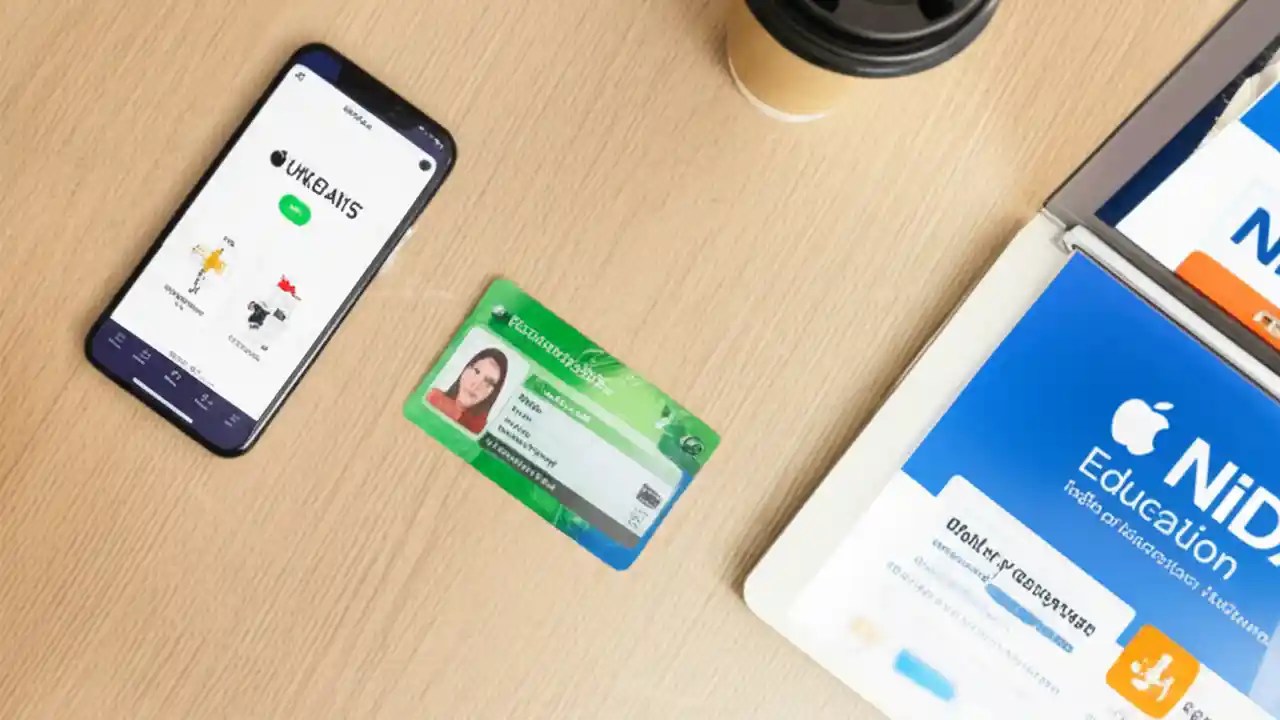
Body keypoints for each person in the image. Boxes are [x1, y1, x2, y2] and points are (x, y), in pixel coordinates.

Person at [427, 348, 509, 433]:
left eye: (488, 382)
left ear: (493, 393)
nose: (476, 385)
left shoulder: (480, 432)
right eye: (476, 371)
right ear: (466, 369)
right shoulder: (432, 398)